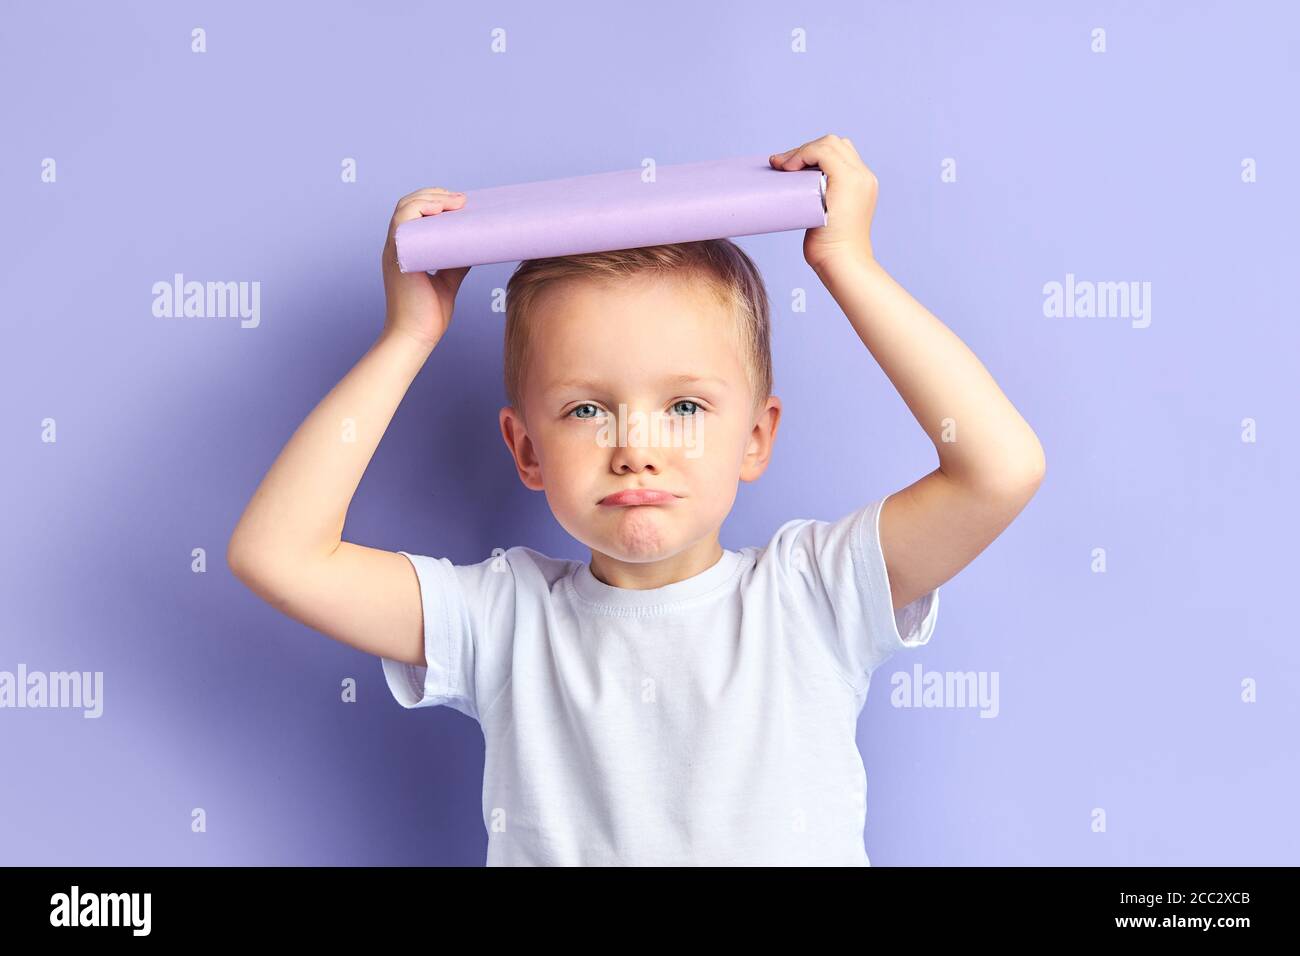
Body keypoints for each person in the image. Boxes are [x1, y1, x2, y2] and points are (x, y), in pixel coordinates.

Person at [227, 134, 1045, 865]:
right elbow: (279, 554)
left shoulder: (815, 595)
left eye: (685, 407)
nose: (636, 450)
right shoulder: (504, 619)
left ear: (756, 437)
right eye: (587, 409)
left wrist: (849, 265)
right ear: (525, 449)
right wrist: (407, 337)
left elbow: (998, 469)